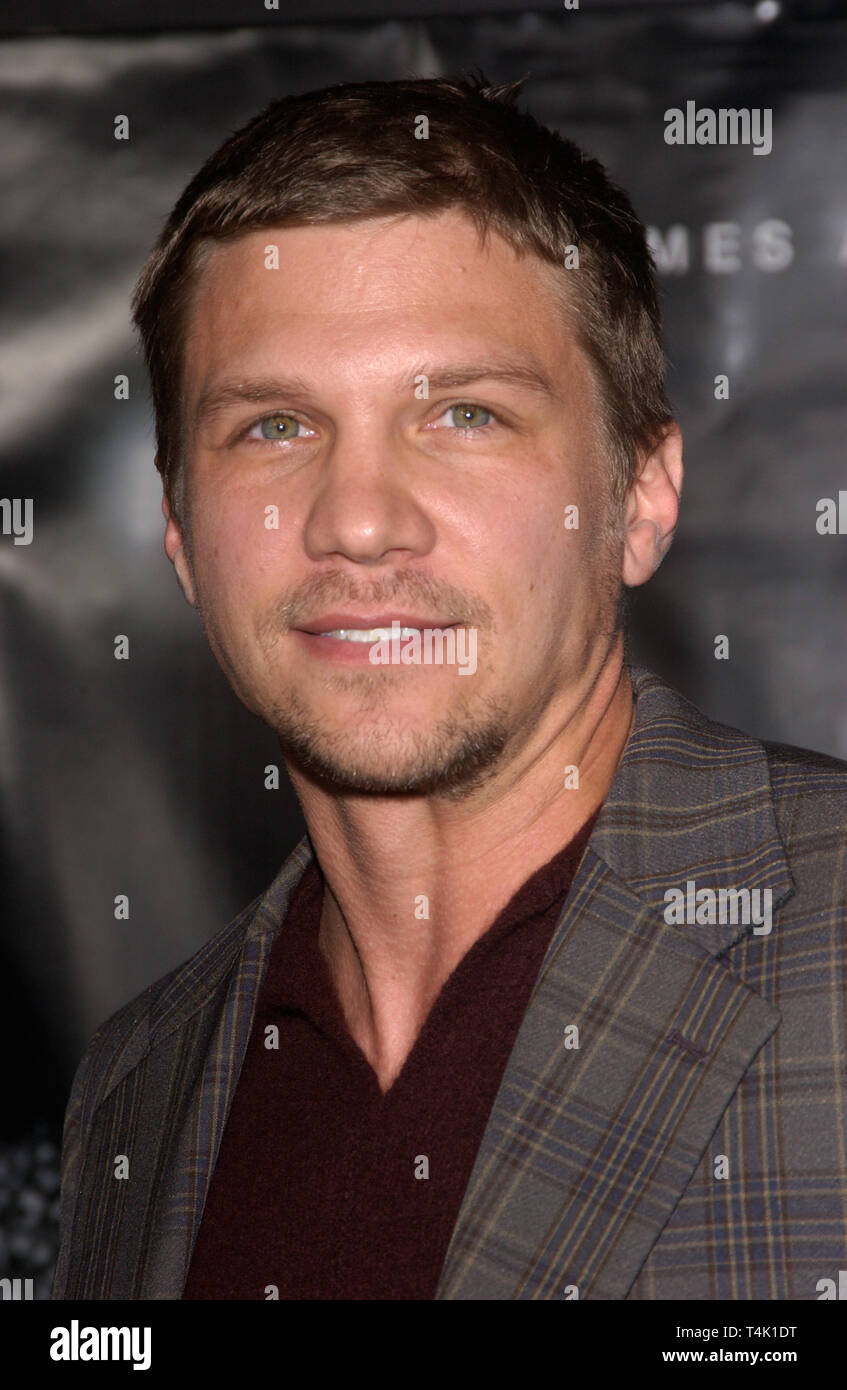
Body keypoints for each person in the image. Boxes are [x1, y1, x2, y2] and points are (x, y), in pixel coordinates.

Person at [52, 73, 847, 1301]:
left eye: (463, 413)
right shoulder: (135, 1088)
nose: (359, 524)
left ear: (639, 497)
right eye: (273, 427)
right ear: (179, 536)